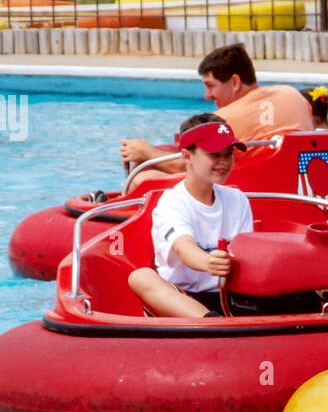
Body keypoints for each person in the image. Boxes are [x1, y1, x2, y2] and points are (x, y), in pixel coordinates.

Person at [127, 115, 252, 319]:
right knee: (141, 277)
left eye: (228, 154)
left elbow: (247, 252)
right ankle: (212, 323)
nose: (224, 161)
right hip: (184, 298)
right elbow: (184, 247)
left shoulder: (237, 199)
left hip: (231, 296)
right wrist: (208, 262)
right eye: (214, 154)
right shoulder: (172, 202)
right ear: (186, 157)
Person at [120, 44, 313, 173]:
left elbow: (184, 165)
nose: (207, 95)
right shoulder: (294, 95)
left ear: (235, 82)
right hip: (301, 184)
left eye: (210, 85)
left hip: (258, 193)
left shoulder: (221, 122)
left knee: (144, 176)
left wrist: (144, 151)